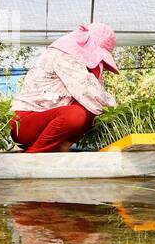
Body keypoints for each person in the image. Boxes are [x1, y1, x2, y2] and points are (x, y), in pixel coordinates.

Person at [9, 23, 118, 152]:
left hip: (50, 122)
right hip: (24, 123)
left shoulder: (83, 64)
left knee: (89, 109)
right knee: (77, 114)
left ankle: (62, 146)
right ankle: (34, 154)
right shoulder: (63, 54)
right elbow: (90, 91)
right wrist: (116, 110)